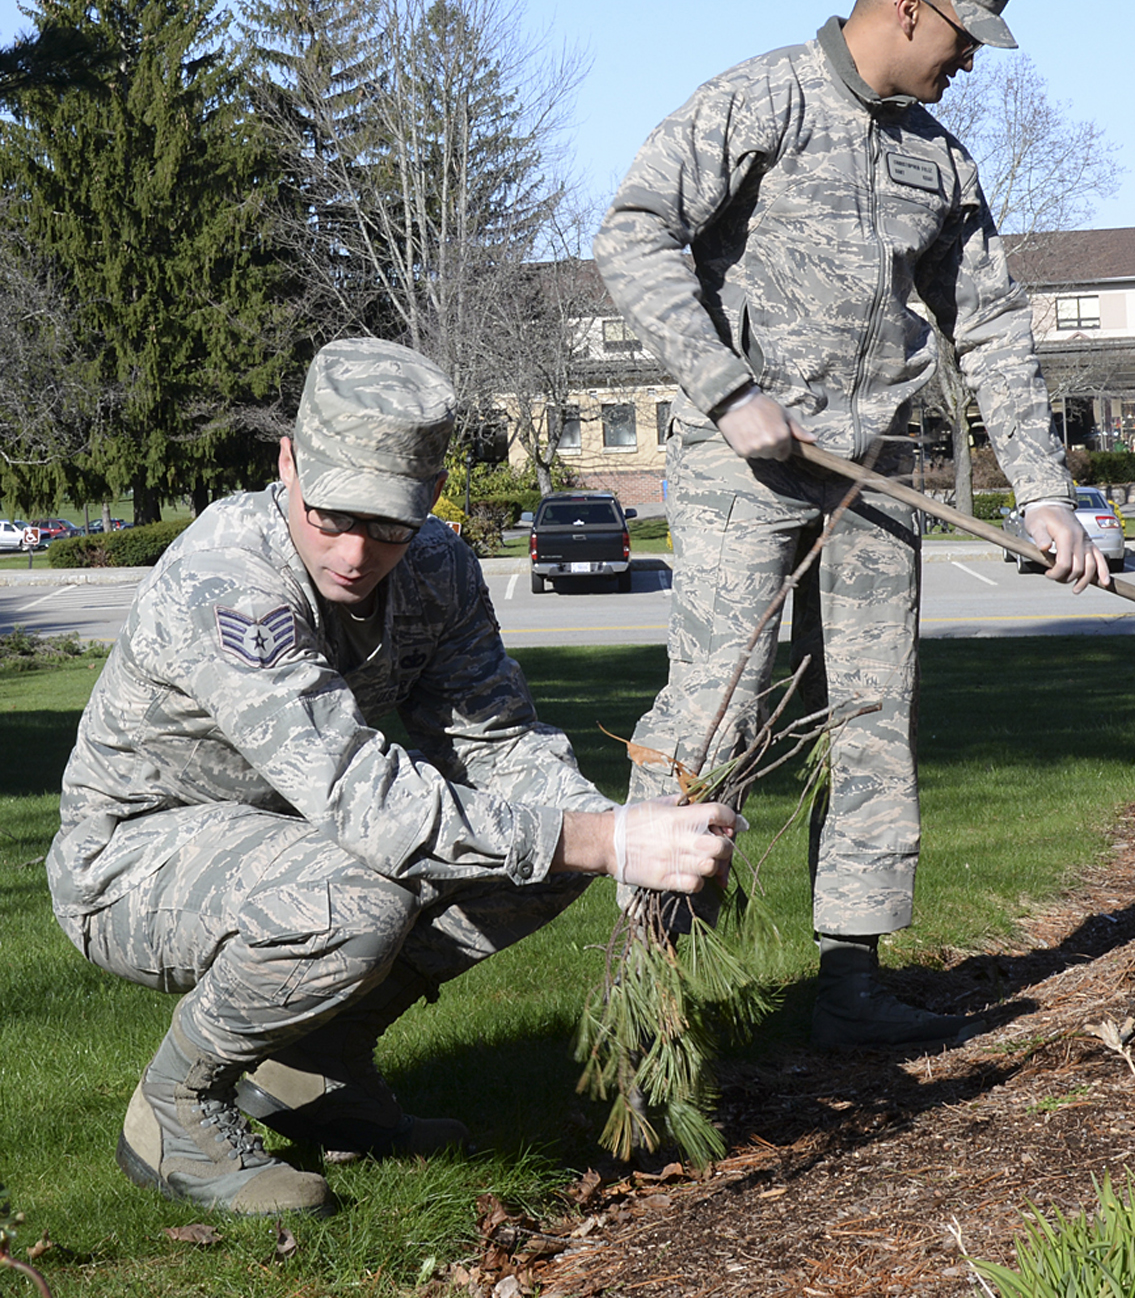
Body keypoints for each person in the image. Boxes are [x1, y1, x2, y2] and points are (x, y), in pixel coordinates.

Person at [46, 338, 743, 1218]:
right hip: (131, 862)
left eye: (386, 524)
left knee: (552, 848)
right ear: (288, 462)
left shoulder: (438, 568)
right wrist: (605, 839)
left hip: (285, 842)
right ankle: (177, 1104)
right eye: (331, 514)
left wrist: (613, 835)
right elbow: (360, 800)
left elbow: (494, 739)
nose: (353, 551)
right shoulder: (229, 580)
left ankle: (319, 1062)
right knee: (360, 897)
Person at [595, 0, 1109, 1050]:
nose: (970, 62)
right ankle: (649, 988)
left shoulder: (942, 158)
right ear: (907, 6)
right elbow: (632, 234)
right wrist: (730, 391)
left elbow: (994, 328)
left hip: (875, 479)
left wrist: (1044, 495)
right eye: (962, 39)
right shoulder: (760, 98)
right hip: (744, 471)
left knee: (873, 718)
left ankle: (851, 983)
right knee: (715, 718)